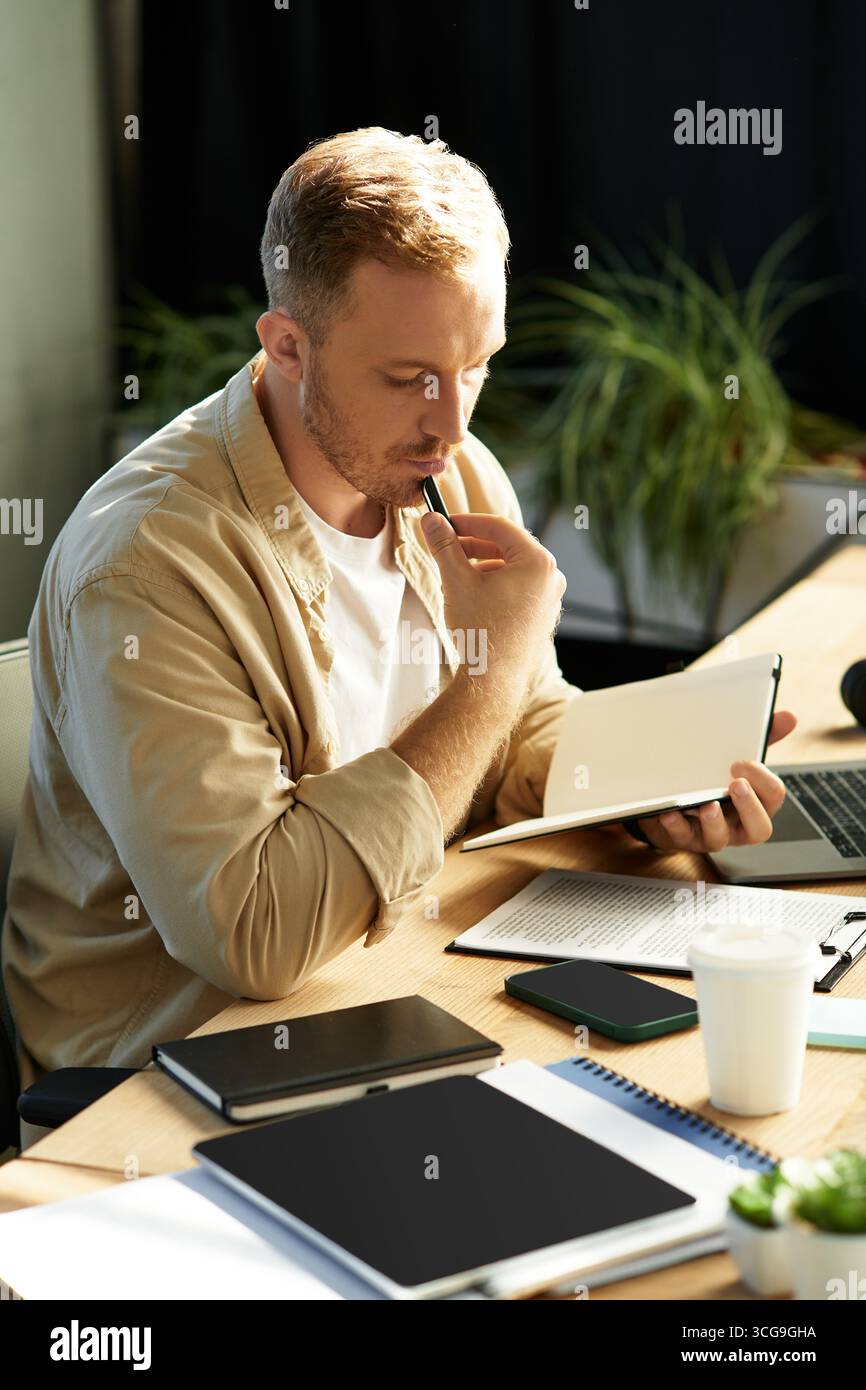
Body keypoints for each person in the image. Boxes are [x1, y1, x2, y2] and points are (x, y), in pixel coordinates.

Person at [2, 127, 794, 1104]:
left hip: (405, 982)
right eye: (406, 376)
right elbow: (255, 934)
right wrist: (485, 677)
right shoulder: (145, 569)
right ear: (287, 346)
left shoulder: (444, 470)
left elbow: (513, 728)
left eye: (477, 366)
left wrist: (640, 786)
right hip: (180, 1072)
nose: (453, 421)